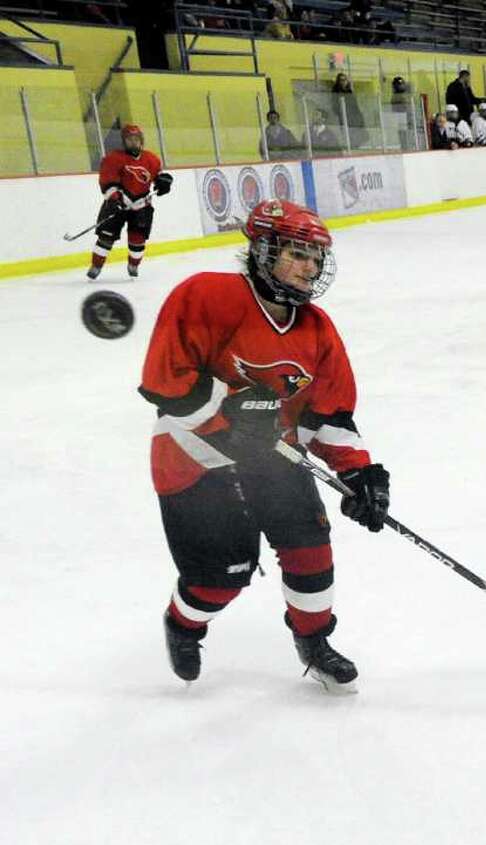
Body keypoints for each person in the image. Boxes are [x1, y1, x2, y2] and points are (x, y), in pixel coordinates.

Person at [140, 199, 390, 694]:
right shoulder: (207, 296)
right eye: (297, 253)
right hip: (196, 457)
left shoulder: (316, 329)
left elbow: (328, 413)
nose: (309, 267)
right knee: (219, 580)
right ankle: (183, 624)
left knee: (311, 550)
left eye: (316, 258)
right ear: (264, 250)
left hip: (274, 457)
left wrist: (358, 473)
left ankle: (314, 641)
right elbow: (164, 382)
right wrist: (227, 413)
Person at [89, 124, 172, 280]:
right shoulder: (113, 158)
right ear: (123, 141)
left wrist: (164, 183)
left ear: (141, 140)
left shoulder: (151, 159)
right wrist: (115, 199)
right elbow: (107, 181)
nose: (133, 142)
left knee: (137, 241)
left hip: (142, 205)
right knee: (106, 236)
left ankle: (133, 264)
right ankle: (96, 265)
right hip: (118, 204)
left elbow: (158, 178)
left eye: (136, 139)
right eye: (129, 139)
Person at [332, 72, 366, 147]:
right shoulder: (336, 92)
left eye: (345, 80)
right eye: (341, 80)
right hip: (344, 117)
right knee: (348, 135)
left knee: (356, 134)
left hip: (354, 117)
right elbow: (335, 106)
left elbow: (355, 105)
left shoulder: (349, 91)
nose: (343, 82)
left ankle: (356, 145)